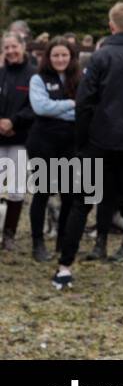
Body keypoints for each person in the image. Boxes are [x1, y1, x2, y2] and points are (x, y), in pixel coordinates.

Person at [54, 2, 123, 290]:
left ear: (111, 26)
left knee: (81, 204)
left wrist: (82, 143)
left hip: (98, 144)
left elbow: (84, 104)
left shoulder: (99, 59)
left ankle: (65, 268)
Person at [28, 40, 82, 261]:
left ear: (71, 57)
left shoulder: (80, 79)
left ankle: (63, 240)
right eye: (56, 55)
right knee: (42, 193)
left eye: (64, 55)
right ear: (48, 57)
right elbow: (40, 107)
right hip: (43, 143)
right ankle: (38, 243)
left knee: (70, 195)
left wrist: (56, 108)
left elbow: (86, 109)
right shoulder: (38, 79)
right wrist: (71, 105)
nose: (60, 59)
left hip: (71, 143)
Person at [0, 33, 37, 250]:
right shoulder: (0, 74)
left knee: (15, 189)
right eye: (7, 48)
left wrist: (13, 121)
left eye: (14, 46)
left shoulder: (33, 76)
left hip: (20, 139)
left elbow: (34, 107)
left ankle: (10, 234)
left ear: (23, 47)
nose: (11, 51)